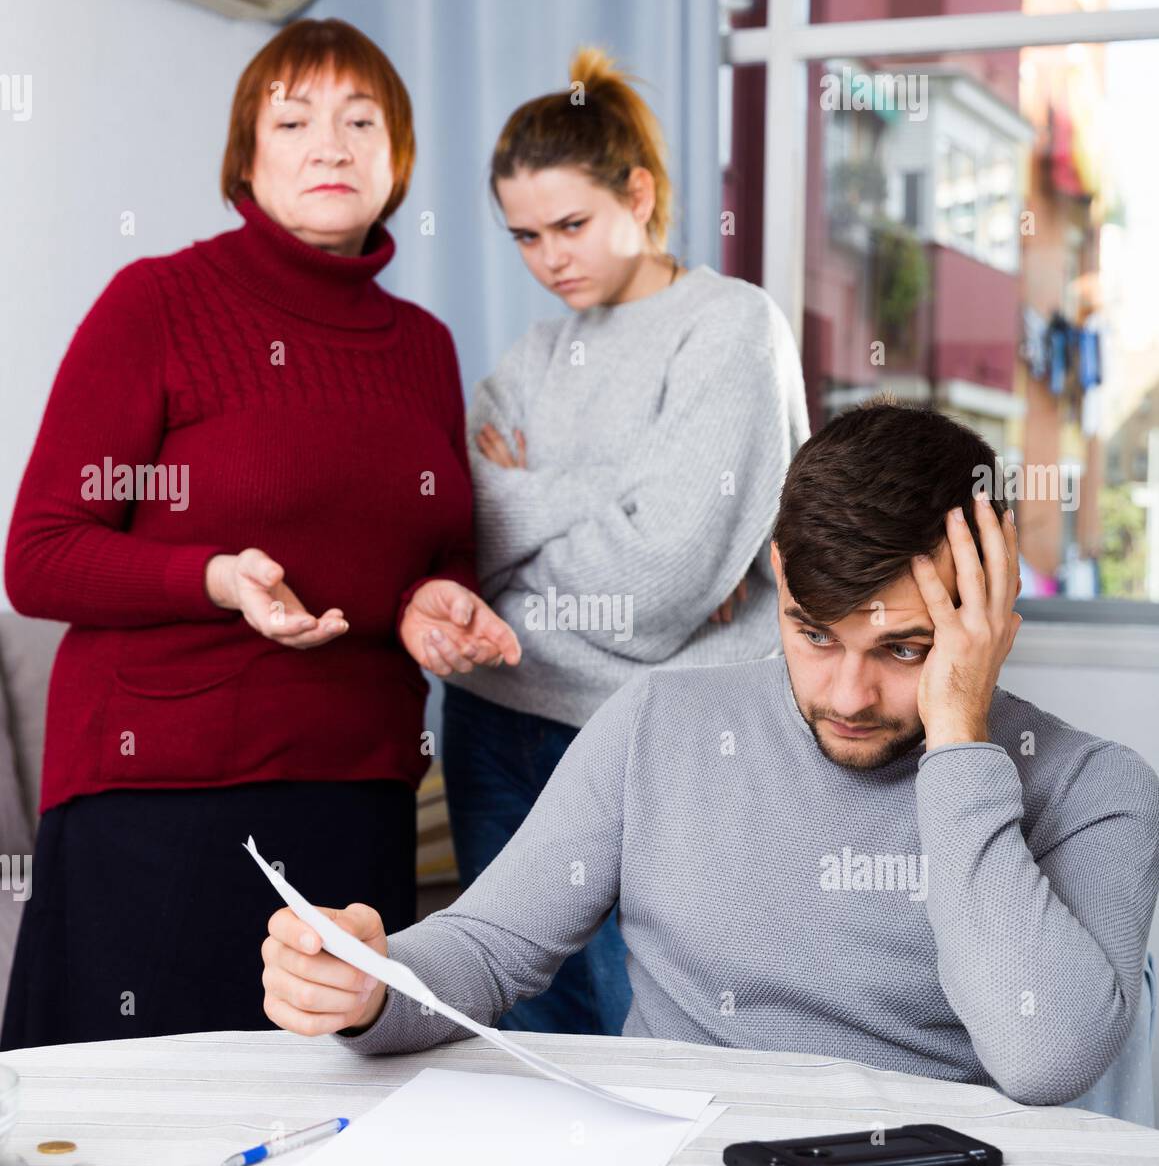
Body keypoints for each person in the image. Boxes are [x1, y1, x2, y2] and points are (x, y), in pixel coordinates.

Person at [261, 400, 1159, 1114]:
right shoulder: (657, 722)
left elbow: (1045, 1060)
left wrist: (959, 743)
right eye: (813, 634)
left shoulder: (1095, 790)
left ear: (991, 620)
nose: (846, 696)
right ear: (777, 573)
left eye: (903, 650)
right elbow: (492, 948)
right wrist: (370, 988)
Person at [1, 19, 518, 1051]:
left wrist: (434, 600)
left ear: (396, 160)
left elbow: (439, 544)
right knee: (148, 1127)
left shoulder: (423, 345)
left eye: (360, 121)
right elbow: (39, 553)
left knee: (330, 1109)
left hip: (357, 789)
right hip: (163, 795)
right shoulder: (156, 302)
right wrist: (214, 577)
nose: (330, 144)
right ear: (247, 158)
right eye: (295, 120)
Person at [433, 47, 809, 1035]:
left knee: (647, 1031)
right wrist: (621, 492)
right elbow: (457, 529)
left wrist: (527, 500)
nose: (550, 257)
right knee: (514, 1031)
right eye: (523, 235)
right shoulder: (532, 354)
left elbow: (653, 589)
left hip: (647, 729)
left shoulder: (731, 328)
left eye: (570, 224)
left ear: (636, 193)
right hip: (489, 717)